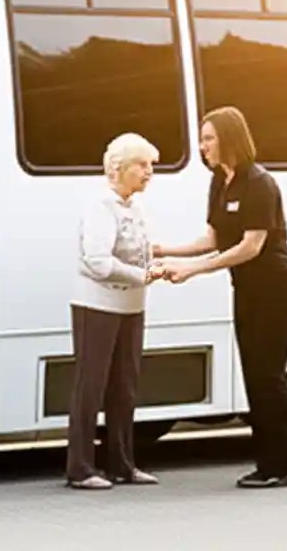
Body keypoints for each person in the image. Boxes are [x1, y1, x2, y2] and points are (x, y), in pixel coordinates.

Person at [153, 107, 287, 489]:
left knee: (269, 375)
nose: (202, 147)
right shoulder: (221, 183)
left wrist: (194, 270)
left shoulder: (259, 183)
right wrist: (165, 251)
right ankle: (272, 465)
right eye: (202, 140)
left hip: (278, 289)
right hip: (246, 289)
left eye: (208, 139)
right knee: (254, 378)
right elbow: (214, 239)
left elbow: (251, 246)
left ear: (230, 138)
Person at [65, 132, 164, 490]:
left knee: (125, 384)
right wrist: (142, 275)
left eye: (150, 165)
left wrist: (156, 265)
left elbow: (140, 250)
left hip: (130, 305)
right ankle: (80, 467)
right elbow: (98, 262)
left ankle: (122, 463)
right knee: (91, 385)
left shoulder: (134, 206)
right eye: (141, 165)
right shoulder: (100, 206)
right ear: (117, 169)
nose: (148, 172)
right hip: (97, 305)